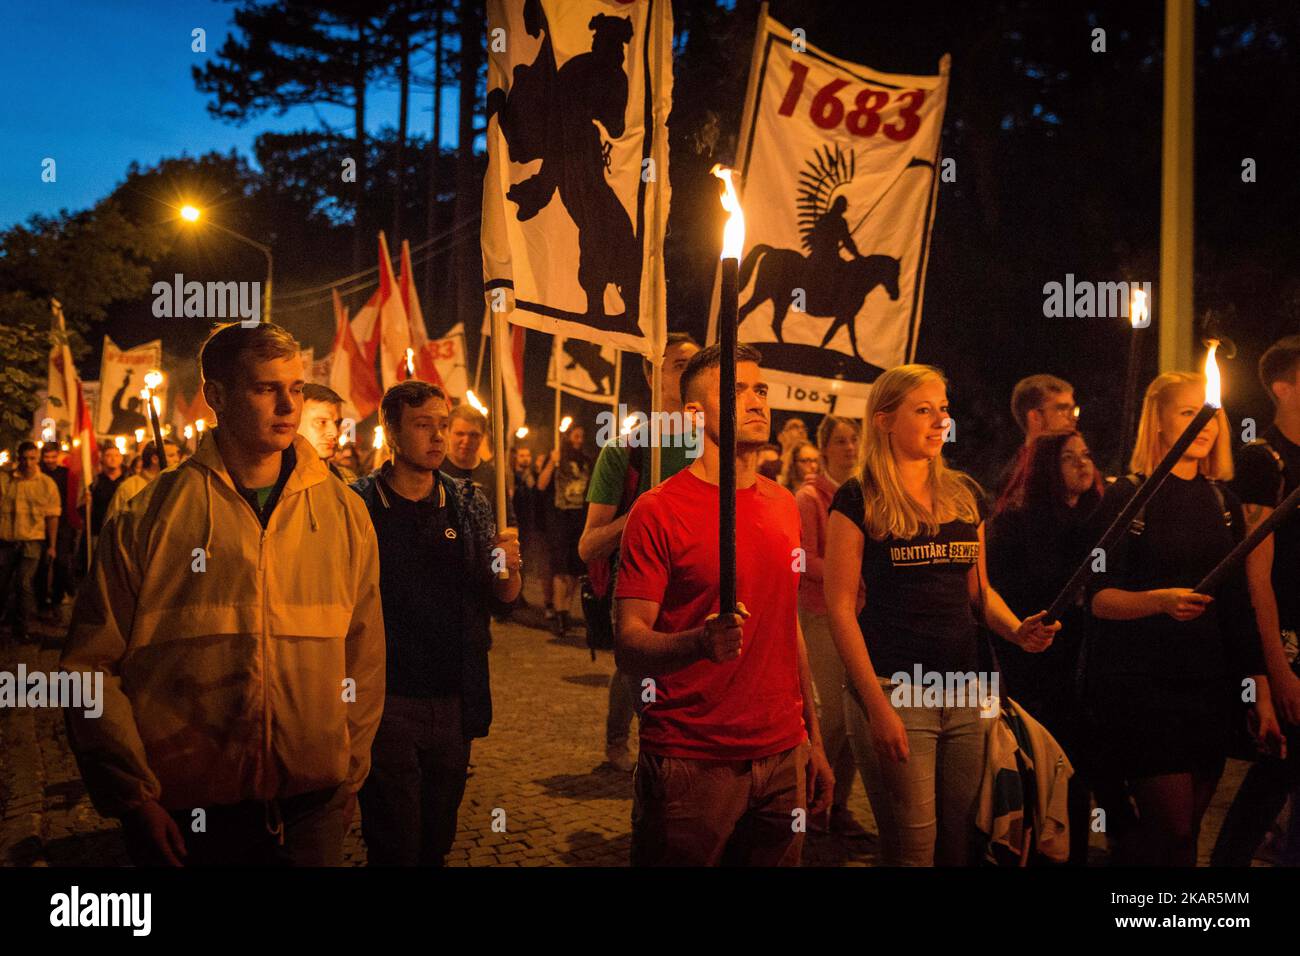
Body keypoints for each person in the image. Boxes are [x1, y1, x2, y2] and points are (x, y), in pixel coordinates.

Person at [60, 321, 385, 867]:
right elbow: (89, 668)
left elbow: (365, 652)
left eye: (296, 388)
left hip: (312, 808)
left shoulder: (344, 512)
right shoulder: (149, 516)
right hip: (189, 816)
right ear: (216, 396)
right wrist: (134, 797)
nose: (288, 405)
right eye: (265, 388)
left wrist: (348, 772)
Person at [822, 364, 1060, 866]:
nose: (939, 421)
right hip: (897, 690)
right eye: (924, 410)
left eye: (943, 410)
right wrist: (876, 707)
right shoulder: (857, 496)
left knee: (960, 846)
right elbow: (840, 607)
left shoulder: (963, 494)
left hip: (969, 691)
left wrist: (1018, 630)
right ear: (885, 420)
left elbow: (978, 592)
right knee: (913, 850)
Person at [615, 344, 834, 866]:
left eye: (761, 388)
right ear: (694, 413)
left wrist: (812, 739)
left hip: (782, 754)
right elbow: (629, 642)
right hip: (692, 759)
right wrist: (699, 642)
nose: (757, 400)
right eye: (736, 389)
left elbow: (788, 631)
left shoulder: (783, 506)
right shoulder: (657, 510)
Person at [1086, 370, 1282, 866]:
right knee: (1171, 830)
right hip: (1145, 690)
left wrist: (1259, 692)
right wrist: (1160, 601)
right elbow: (1097, 597)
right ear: (1158, 423)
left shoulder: (1225, 502)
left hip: (1208, 688)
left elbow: (1239, 604)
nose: (1206, 424)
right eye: (1186, 411)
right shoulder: (1127, 496)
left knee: (1184, 834)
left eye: (1210, 413)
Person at [351, 381, 521, 866]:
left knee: (437, 838)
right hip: (388, 699)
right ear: (391, 432)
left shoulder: (467, 502)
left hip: (453, 696)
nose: (438, 437)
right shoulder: (358, 504)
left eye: (442, 426)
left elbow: (504, 595)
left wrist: (505, 562)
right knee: (394, 840)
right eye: (423, 425)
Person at [579, 332, 699, 772]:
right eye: (679, 365)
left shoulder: (720, 447)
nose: (692, 373)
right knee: (639, 675)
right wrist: (645, 511)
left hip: (700, 592)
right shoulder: (626, 448)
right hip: (642, 590)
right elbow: (589, 545)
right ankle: (622, 744)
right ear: (651, 374)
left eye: (698, 364)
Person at [987, 428, 1103, 864]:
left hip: (1084, 668)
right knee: (1039, 775)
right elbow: (996, 594)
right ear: (1046, 469)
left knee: (1078, 778)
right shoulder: (1017, 523)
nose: (1082, 464)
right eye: (1069, 458)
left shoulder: (1099, 519)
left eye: (1086, 454)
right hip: (1035, 668)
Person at [1213, 334, 1300, 866]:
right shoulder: (1263, 459)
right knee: (1277, 773)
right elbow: (1257, 571)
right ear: (1284, 389)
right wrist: (1276, 669)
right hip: (1288, 636)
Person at [794, 415, 868, 838]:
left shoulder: (862, 495)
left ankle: (837, 804)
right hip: (820, 615)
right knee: (834, 718)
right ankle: (811, 798)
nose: (849, 447)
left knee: (858, 717)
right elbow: (801, 559)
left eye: (854, 439)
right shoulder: (809, 498)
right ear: (824, 449)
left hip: (858, 617)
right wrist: (851, 573)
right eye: (840, 441)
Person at [0, 442, 61, 644]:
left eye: (32, 458)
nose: (28, 462)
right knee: (3, 582)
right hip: (7, 540)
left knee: (24, 583)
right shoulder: (5, 480)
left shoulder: (46, 484)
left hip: (32, 541)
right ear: (19, 458)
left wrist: (52, 545)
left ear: (37, 459)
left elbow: (52, 516)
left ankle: (25, 625)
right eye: (24, 458)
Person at [996, 374, 1077, 511]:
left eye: (1073, 410)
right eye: (1062, 409)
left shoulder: (1076, 465)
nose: (1072, 418)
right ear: (1035, 417)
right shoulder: (1016, 480)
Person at [541, 424, 591, 637]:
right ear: (568, 436)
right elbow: (541, 485)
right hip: (559, 519)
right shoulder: (557, 458)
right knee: (561, 568)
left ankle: (566, 611)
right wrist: (552, 461)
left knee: (574, 570)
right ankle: (559, 614)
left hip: (578, 520)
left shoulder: (587, 461)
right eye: (576, 435)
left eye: (582, 436)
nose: (579, 440)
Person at [442, 404, 514, 527]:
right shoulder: (433, 469)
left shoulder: (493, 475)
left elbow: (508, 522)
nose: (466, 441)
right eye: (460, 433)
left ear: (483, 437)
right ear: (448, 432)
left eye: (474, 435)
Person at [37, 441, 74, 616]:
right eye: (47, 457)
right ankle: (42, 599)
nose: (50, 460)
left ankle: (57, 598)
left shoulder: (66, 474)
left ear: (58, 455)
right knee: (41, 563)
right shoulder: (38, 474)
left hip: (63, 524)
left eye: (53, 456)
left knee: (60, 562)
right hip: (40, 523)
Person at [105, 439, 180, 523]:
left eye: (177, 454)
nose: (177, 459)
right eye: (171, 455)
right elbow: (112, 523)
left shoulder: (176, 485)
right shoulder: (130, 488)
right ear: (155, 459)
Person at [298, 383, 355, 482]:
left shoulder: (348, 480)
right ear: (294, 423)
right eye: (321, 422)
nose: (334, 433)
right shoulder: (274, 482)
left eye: (337, 423)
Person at [88, 443, 125, 542]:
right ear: (102, 459)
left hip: (122, 531)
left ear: (121, 459)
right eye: (108, 455)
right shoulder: (96, 481)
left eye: (116, 455)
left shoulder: (127, 480)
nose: (113, 459)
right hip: (100, 530)